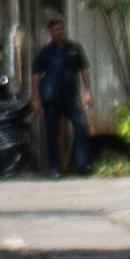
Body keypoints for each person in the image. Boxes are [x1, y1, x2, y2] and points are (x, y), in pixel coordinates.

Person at [27, 21, 92, 177]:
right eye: (56, 30)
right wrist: (36, 99)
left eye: (61, 29)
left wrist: (88, 91)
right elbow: (35, 76)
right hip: (51, 98)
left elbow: (83, 70)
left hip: (70, 97)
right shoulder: (45, 52)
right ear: (51, 32)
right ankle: (55, 168)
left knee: (81, 126)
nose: (60, 32)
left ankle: (83, 163)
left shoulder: (74, 49)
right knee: (51, 133)